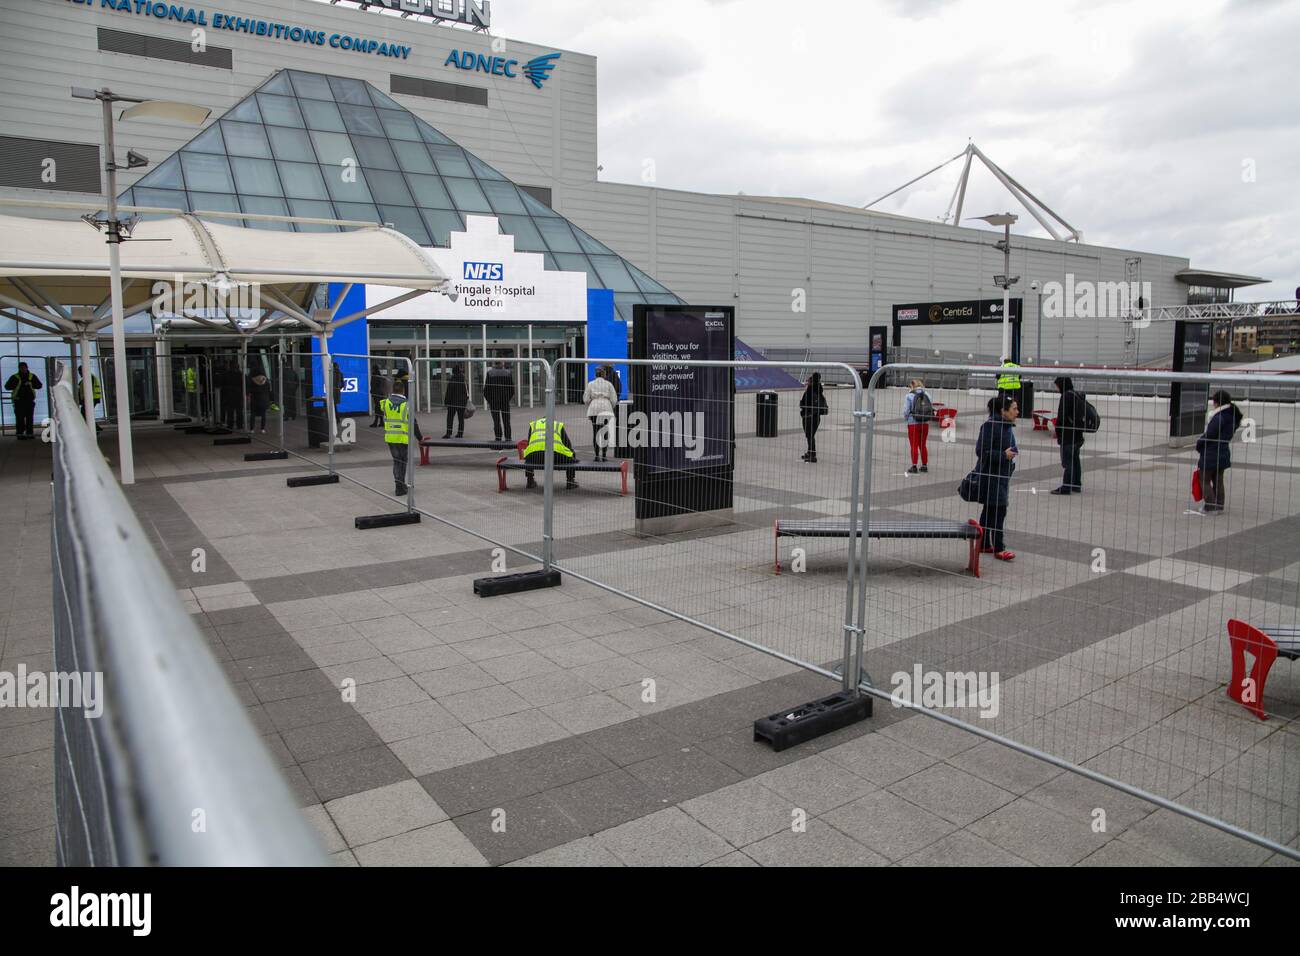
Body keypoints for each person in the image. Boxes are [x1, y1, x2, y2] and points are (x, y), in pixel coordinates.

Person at [973, 392, 1019, 561]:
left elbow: (1010, 447)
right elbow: (981, 451)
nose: (1017, 412)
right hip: (992, 477)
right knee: (999, 511)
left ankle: (984, 543)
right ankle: (999, 548)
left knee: (990, 510)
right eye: (1014, 409)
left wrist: (1012, 453)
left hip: (1002, 476)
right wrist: (1003, 455)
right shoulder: (991, 426)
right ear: (1003, 411)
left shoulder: (1006, 426)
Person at [1196, 390, 1243, 514]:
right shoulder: (1232, 416)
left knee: (1204, 479)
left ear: (1216, 402)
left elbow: (1210, 434)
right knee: (1218, 479)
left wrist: (1199, 443)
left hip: (1211, 452)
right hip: (1223, 451)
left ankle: (1210, 506)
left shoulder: (1219, 417)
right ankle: (1219, 506)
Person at [381, 378, 423, 497]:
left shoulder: (386, 403)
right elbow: (413, 423)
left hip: (390, 437)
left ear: (393, 390)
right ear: (403, 391)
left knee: (396, 461)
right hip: (403, 438)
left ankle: (398, 485)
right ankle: (401, 486)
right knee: (402, 462)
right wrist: (420, 437)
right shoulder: (407, 405)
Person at [1052, 376, 1087, 494]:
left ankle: (1066, 486)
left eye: (1057, 386)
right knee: (1075, 460)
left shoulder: (1066, 396)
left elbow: (1062, 416)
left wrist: (1058, 431)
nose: (1057, 388)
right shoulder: (1076, 394)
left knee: (1068, 462)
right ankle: (1076, 484)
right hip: (1077, 434)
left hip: (1067, 434)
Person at [522, 416, 578, 489]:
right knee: (571, 454)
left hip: (534, 457)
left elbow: (530, 443)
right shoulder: (557, 424)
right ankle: (570, 482)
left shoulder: (534, 424)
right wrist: (572, 454)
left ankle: (530, 481)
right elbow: (567, 444)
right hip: (554, 456)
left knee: (528, 457)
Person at [582, 366, 618, 461]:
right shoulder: (609, 384)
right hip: (606, 409)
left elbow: (586, 399)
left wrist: (591, 404)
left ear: (595, 374)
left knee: (595, 432)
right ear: (604, 374)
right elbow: (614, 399)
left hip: (594, 409)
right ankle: (604, 455)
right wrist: (610, 406)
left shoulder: (590, 384)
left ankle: (597, 455)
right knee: (605, 432)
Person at [902, 378, 933, 474]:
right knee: (922, 445)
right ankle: (924, 465)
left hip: (913, 423)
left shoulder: (909, 396)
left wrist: (907, 418)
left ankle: (914, 466)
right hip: (925, 423)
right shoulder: (927, 394)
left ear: (912, 385)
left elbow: (906, 411)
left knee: (914, 445)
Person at [6, 362, 42, 440]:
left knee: (29, 418)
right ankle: (20, 433)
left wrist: (31, 383)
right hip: (18, 401)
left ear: (27, 368)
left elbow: (39, 385)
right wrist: (17, 384)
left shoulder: (32, 376)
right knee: (20, 418)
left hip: (29, 401)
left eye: (24, 367)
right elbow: (7, 386)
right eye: (21, 368)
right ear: (19, 368)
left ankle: (29, 433)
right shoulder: (15, 377)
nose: (23, 369)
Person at [798, 372, 827, 462]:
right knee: (811, 435)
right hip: (816, 416)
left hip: (808, 416)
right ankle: (810, 452)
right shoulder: (819, 391)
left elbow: (804, 403)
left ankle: (812, 454)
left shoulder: (810, 391)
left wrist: (801, 405)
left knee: (809, 436)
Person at [484, 361, 516, 442]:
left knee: (496, 421)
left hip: (494, 401)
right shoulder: (508, 373)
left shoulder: (490, 373)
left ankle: (498, 438)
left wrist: (490, 400)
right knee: (506, 421)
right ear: (502, 364)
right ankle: (508, 438)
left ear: (495, 364)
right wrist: (507, 398)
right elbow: (512, 389)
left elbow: (486, 390)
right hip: (505, 401)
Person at [442, 365, 468, 439]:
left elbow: (449, 392)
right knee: (461, 418)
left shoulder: (452, 380)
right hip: (462, 402)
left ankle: (448, 433)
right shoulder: (464, 380)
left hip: (452, 403)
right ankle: (460, 433)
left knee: (450, 418)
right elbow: (467, 391)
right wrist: (465, 400)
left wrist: (446, 402)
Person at [247, 367, 272, 434]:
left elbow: (249, 390)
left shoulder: (252, 380)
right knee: (263, 415)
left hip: (254, 400)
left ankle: (252, 429)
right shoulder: (266, 381)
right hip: (263, 400)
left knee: (253, 414)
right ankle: (262, 429)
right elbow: (269, 391)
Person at [76, 365, 101, 429]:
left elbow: (88, 390)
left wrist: (83, 400)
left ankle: (96, 428)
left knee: (85, 413)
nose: (79, 374)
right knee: (86, 413)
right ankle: (96, 428)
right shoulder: (85, 379)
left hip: (91, 399)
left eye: (80, 372)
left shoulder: (89, 378)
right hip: (91, 399)